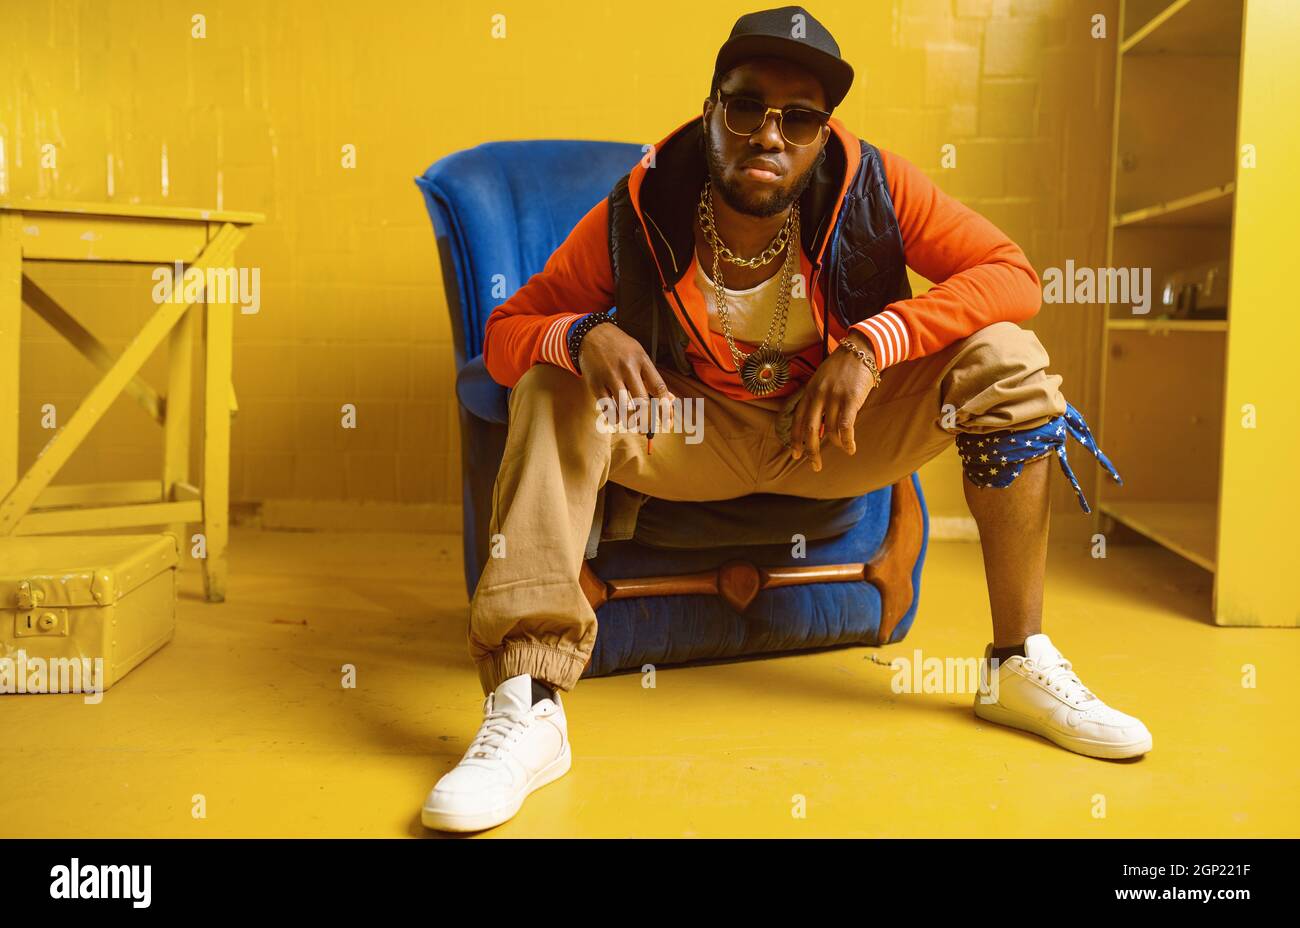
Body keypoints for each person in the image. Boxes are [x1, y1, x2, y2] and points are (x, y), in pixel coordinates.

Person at [421, 5, 1152, 834]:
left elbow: (1011, 274)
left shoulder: (874, 184)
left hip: (831, 436)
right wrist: (584, 334)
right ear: (711, 113)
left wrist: (879, 343)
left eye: (799, 116)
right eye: (747, 106)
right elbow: (509, 333)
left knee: (1009, 357)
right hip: (689, 436)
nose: (770, 133)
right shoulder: (641, 206)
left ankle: (1018, 663)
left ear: (820, 132)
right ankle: (531, 701)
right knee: (552, 384)